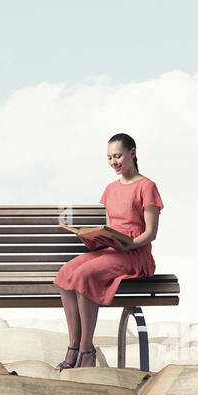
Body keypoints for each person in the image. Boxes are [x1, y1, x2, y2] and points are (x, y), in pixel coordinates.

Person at [53, 133, 164, 369]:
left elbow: (151, 233)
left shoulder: (147, 187)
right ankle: (74, 346)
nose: (114, 162)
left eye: (118, 156)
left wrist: (130, 244)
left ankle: (86, 351)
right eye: (109, 158)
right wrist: (93, 237)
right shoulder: (110, 189)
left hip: (135, 253)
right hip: (114, 249)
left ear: (132, 153)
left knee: (84, 275)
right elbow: (111, 227)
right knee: (65, 274)